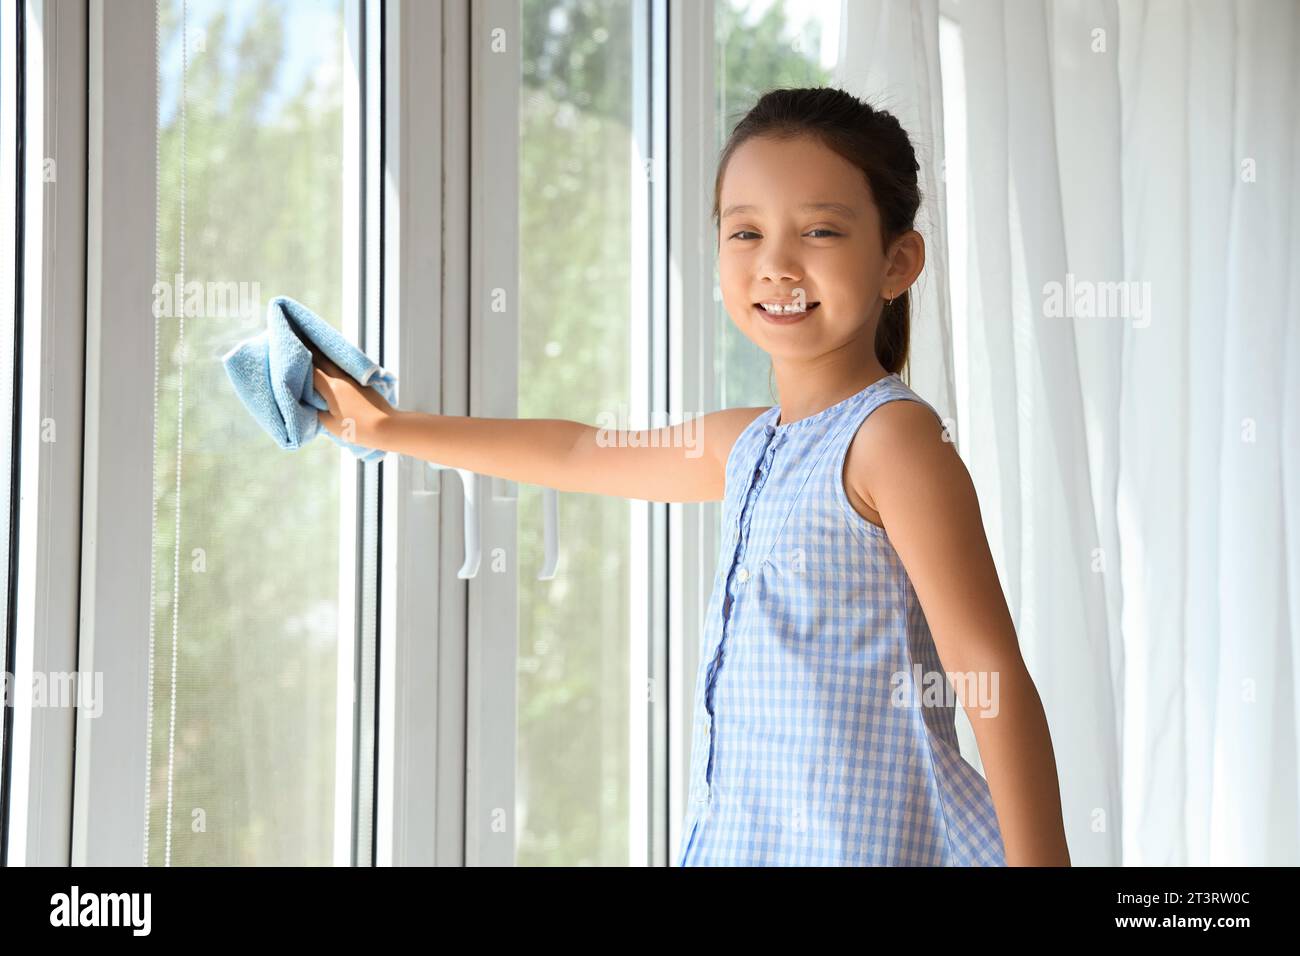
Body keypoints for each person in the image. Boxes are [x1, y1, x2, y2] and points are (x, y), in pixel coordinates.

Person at [310, 86, 1071, 867]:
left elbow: (990, 675)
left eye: (819, 230)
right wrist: (390, 429)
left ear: (896, 262)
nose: (776, 263)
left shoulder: (892, 441)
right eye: (745, 231)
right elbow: (578, 453)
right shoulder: (745, 446)